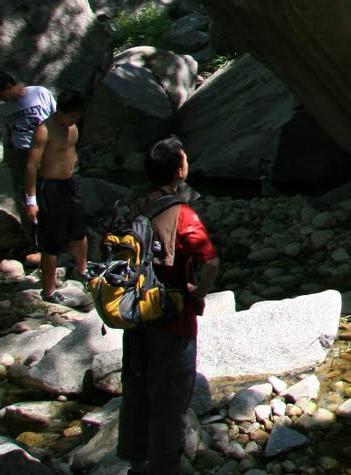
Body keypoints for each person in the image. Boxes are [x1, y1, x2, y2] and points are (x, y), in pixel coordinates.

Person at [118, 136, 219, 475]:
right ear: (179, 170)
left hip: (134, 314)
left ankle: (136, 462)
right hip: (172, 318)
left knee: (135, 389)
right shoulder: (181, 213)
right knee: (169, 400)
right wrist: (198, 291)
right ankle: (165, 467)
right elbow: (211, 262)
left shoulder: (131, 205)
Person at [25, 89, 89, 302]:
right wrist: (31, 200)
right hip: (49, 188)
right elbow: (31, 165)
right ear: (60, 111)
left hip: (70, 183)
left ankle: (83, 270)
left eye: (77, 116)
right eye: (71, 116)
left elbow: (71, 151)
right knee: (52, 242)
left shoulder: (73, 126)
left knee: (79, 231)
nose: (74, 120)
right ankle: (49, 291)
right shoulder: (45, 130)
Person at [0, 72, 56, 249]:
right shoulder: (5, 108)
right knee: (24, 197)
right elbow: (9, 133)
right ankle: (35, 241)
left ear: (9, 86)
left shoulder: (39, 93)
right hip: (21, 154)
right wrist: (9, 156)